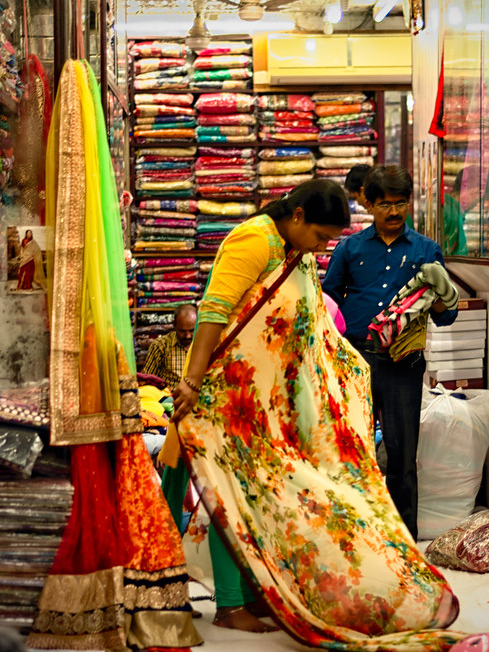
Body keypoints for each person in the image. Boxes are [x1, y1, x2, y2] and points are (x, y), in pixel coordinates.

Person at [165, 179, 461, 648]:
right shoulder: (253, 240)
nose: (324, 248)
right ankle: (229, 605)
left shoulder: (291, 248)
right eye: (322, 237)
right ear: (298, 216)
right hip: (226, 393)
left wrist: (343, 371)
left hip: (265, 400)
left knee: (258, 495)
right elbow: (215, 311)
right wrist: (192, 380)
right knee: (230, 494)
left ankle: (252, 592)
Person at [322, 165, 458, 540]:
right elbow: (328, 300)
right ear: (370, 204)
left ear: (409, 203)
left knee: (401, 457)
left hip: (403, 364)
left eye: (400, 204)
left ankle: (404, 542)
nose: (393, 212)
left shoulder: (426, 251)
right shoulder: (350, 248)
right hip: (355, 361)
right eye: (385, 204)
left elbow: (446, 316)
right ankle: (358, 538)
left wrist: (444, 299)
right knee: (354, 452)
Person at [141, 303, 197, 390]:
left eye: (191, 330)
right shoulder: (160, 345)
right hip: (169, 399)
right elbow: (148, 380)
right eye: (182, 331)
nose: (187, 336)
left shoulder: (204, 346)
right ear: (174, 325)